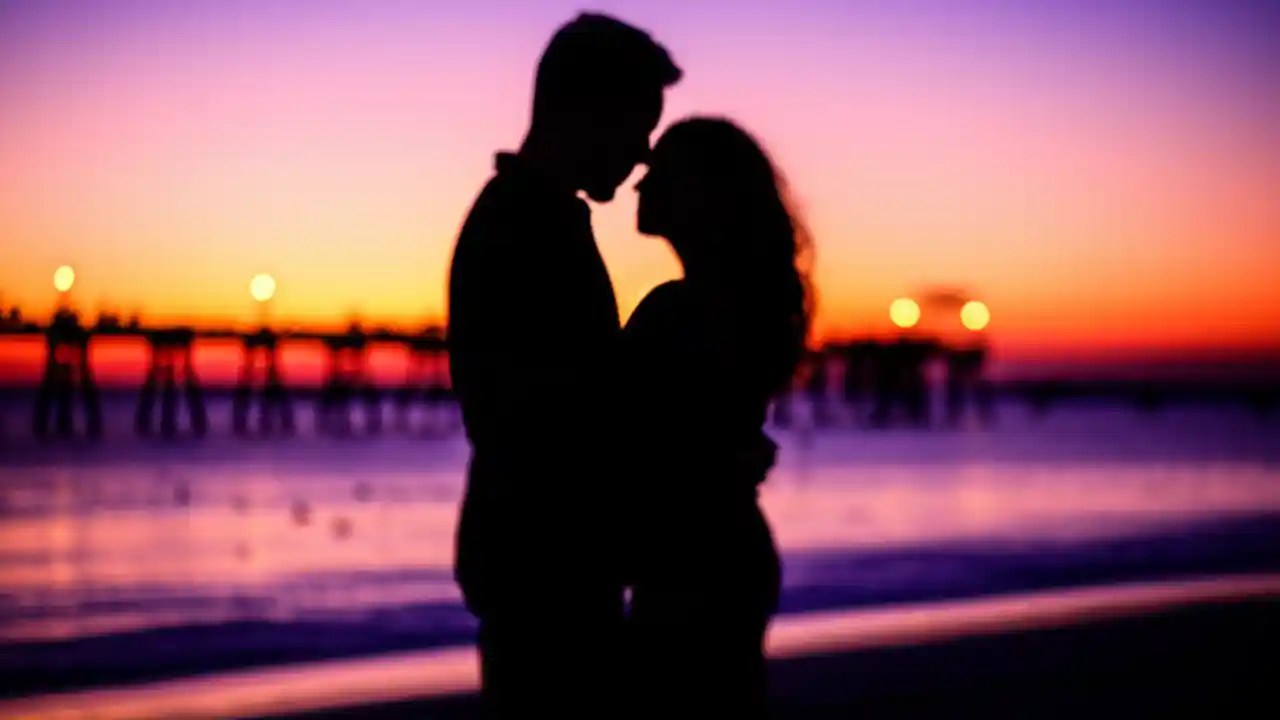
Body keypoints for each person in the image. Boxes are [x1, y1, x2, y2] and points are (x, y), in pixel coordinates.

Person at [446, 12, 681, 717]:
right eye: (638, 125)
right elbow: (547, 410)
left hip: (535, 560)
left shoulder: (532, 215)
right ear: (585, 111)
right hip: (545, 570)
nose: (643, 153)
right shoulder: (526, 224)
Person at [624, 117, 812, 716]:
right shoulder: (737, 305)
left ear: (699, 193)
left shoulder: (682, 312)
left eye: (657, 173)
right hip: (726, 552)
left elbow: (625, 436)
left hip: (692, 568)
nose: (637, 184)